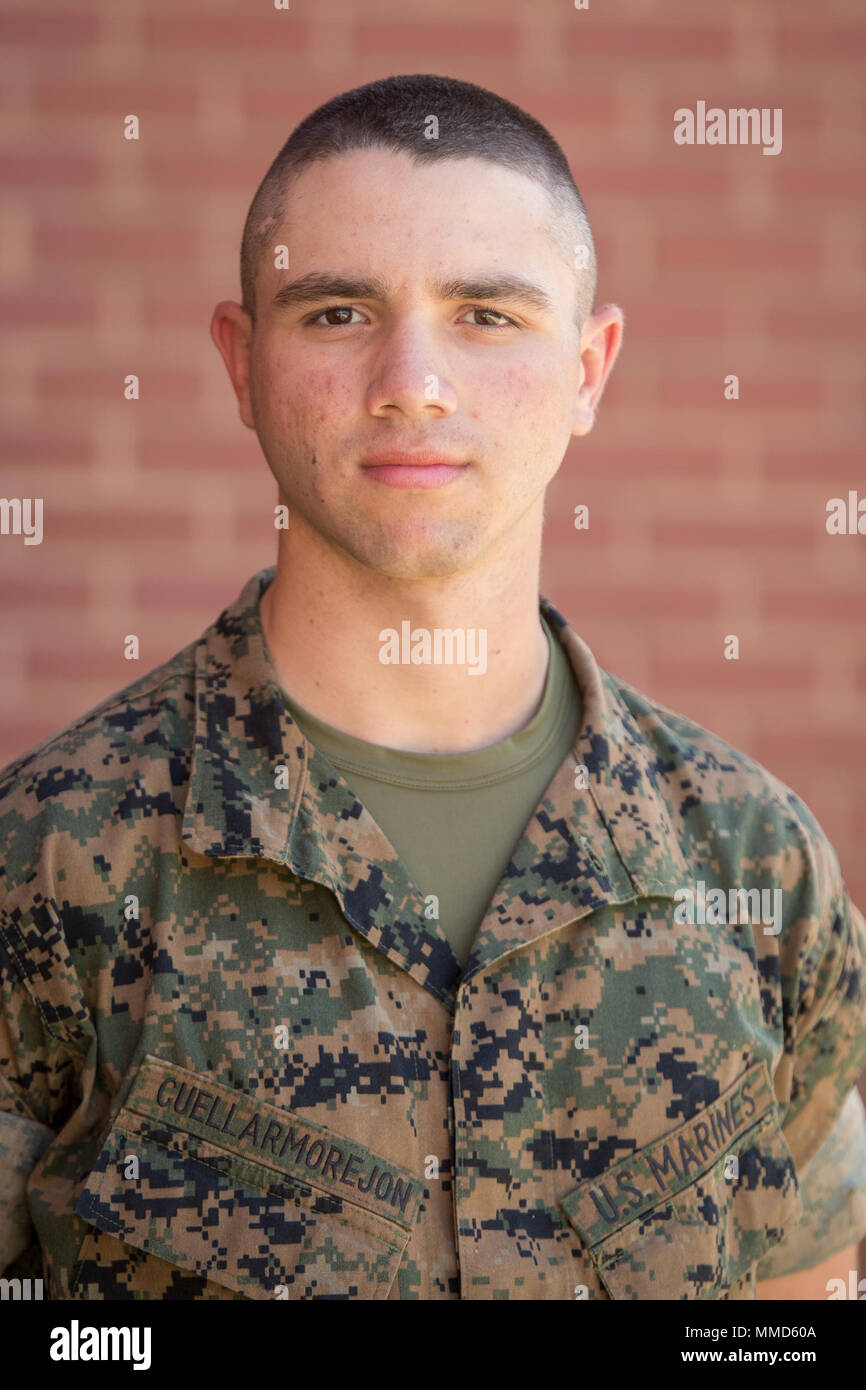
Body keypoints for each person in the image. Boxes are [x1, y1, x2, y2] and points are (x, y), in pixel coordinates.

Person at [1, 73, 864, 1302]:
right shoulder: (47, 861)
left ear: (587, 367)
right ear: (241, 364)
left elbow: (802, 1295)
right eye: (339, 312)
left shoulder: (753, 866)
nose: (412, 380)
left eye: (485, 315)